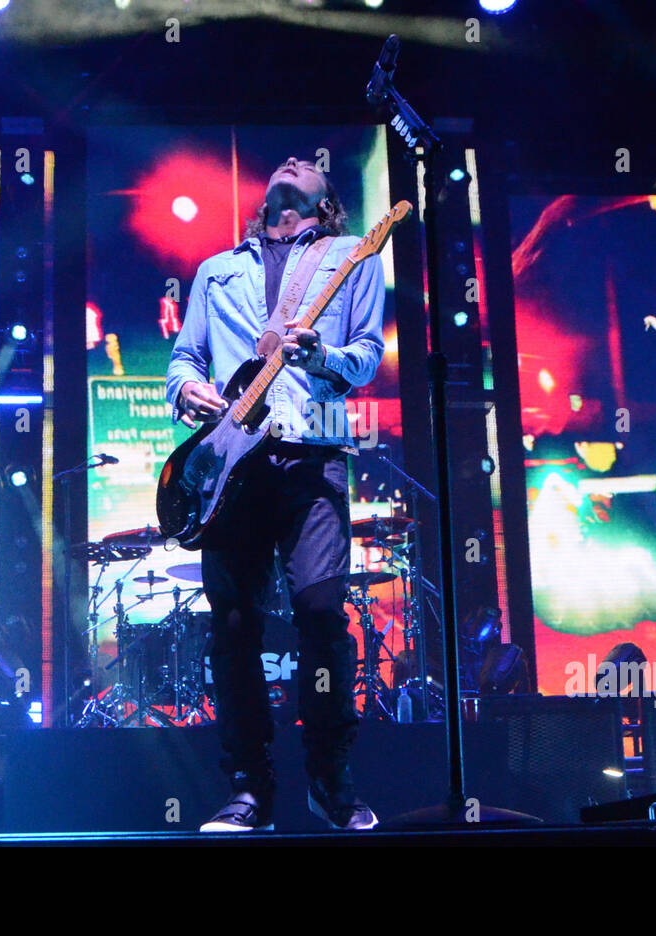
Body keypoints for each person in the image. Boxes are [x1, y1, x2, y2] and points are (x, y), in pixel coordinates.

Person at [165, 156, 385, 831]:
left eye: (309, 167)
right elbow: (184, 358)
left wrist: (320, 356)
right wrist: (185, 389)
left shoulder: (351, 256)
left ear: (326, 204)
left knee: (320, 607)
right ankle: (249, 788)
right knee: (233, 623)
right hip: (231, 466)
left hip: (312, 449)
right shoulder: (215, 270)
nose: (293, 162)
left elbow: (368, 353)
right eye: (284, 164)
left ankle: (329, 778)